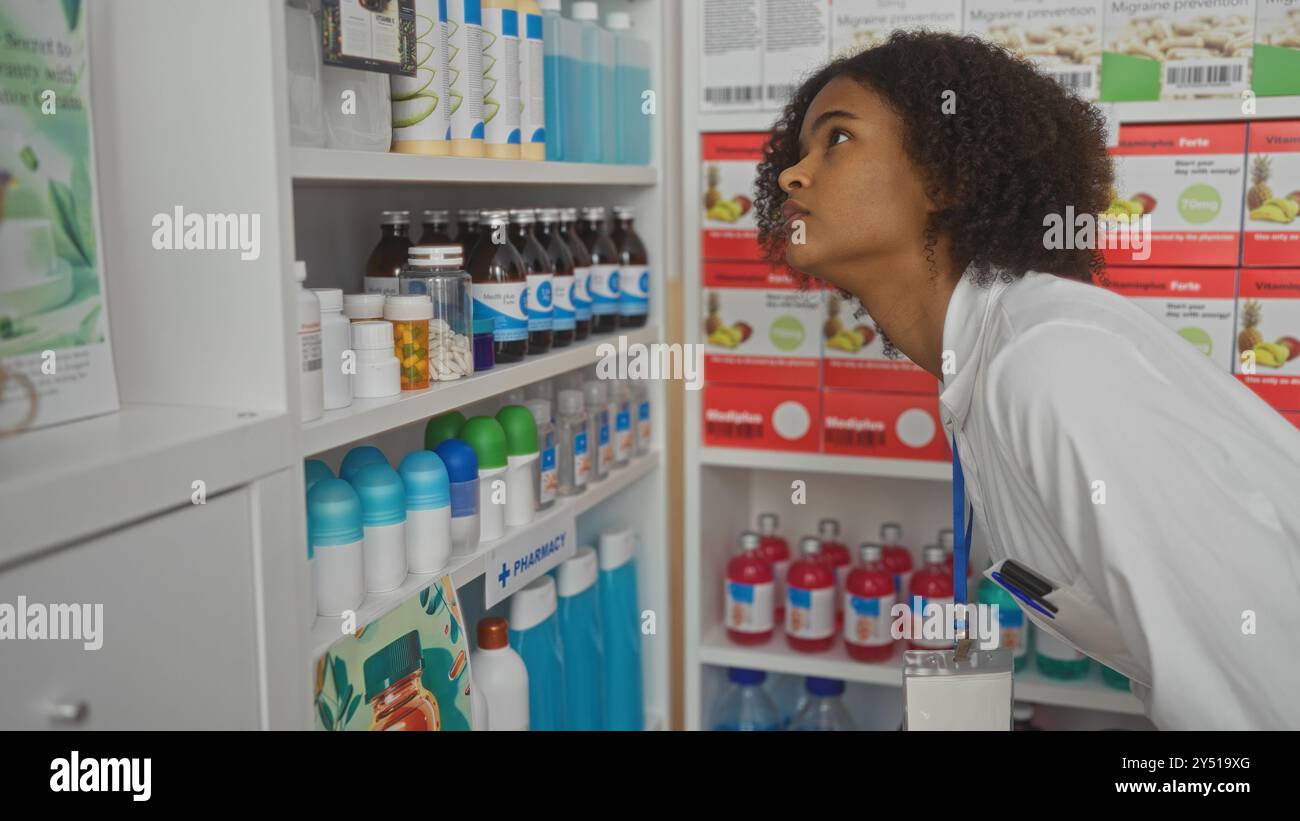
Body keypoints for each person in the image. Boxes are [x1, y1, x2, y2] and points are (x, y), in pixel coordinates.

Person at [753, 30, 1300, 730]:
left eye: (835, 139)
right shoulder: (981, 366)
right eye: (797, 153)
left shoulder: (1047, 366)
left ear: (945, 177)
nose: (793, 176)